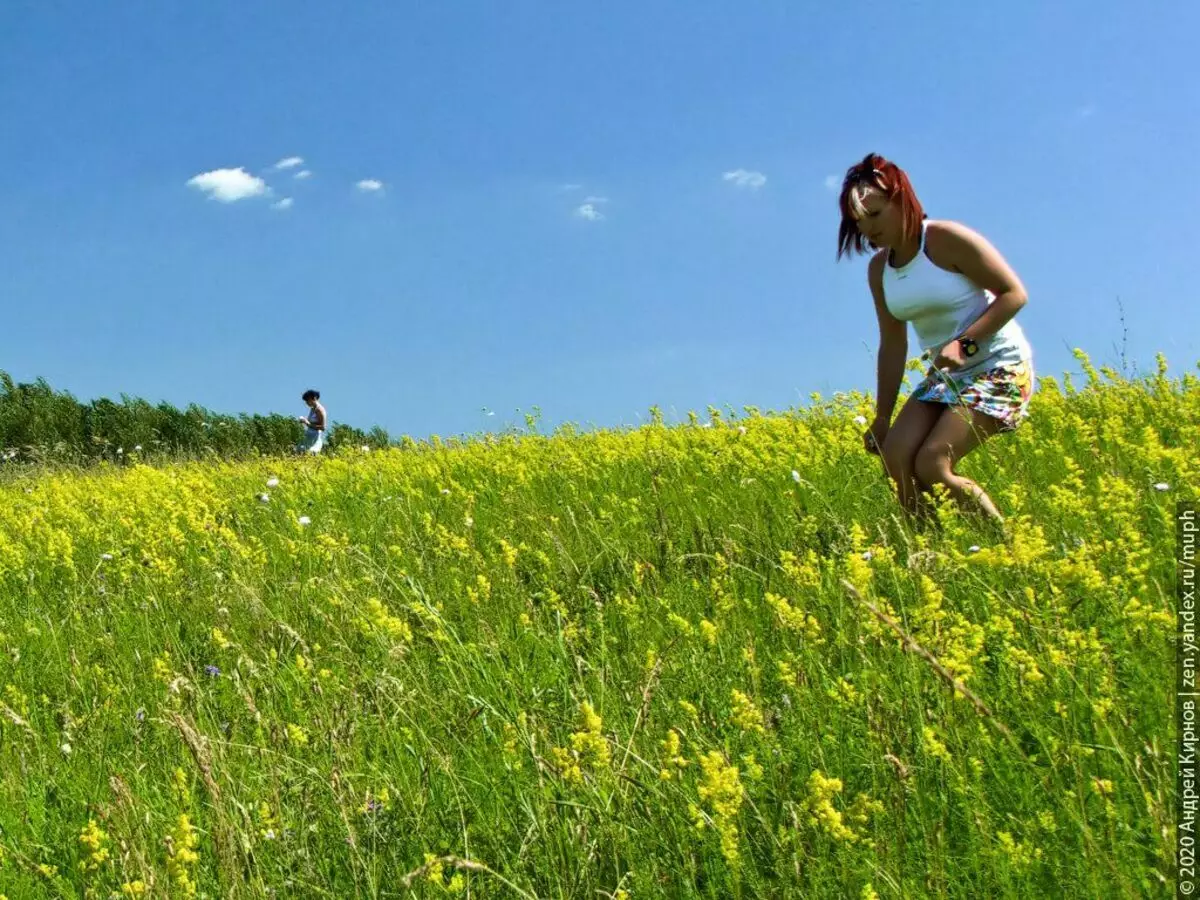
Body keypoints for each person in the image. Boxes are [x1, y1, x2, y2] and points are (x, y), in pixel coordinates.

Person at [837, 153, 1035, 526]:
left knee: (932, 462)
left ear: (902, 199)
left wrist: (965, 344)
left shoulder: (946, 240)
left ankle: (1012, 553)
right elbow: (893, 344)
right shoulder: (879, 270)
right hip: (947, 377)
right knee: (896, 454)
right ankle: (928, 552)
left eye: (875, 215)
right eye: (859, 224)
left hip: (999, 366)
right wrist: (882, 418)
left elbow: (1013, 294)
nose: (868, 230)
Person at [297, 389, 327, 454]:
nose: (307, 403)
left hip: (315, 438)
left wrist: (307, 423)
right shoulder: (313, 408)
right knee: (299, 451)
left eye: (308, 400)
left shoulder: (319, 410)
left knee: (309, 453)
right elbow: (312, 422)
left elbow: (323, 427)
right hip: (309, 436)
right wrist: (304, 420)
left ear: (314, 398)